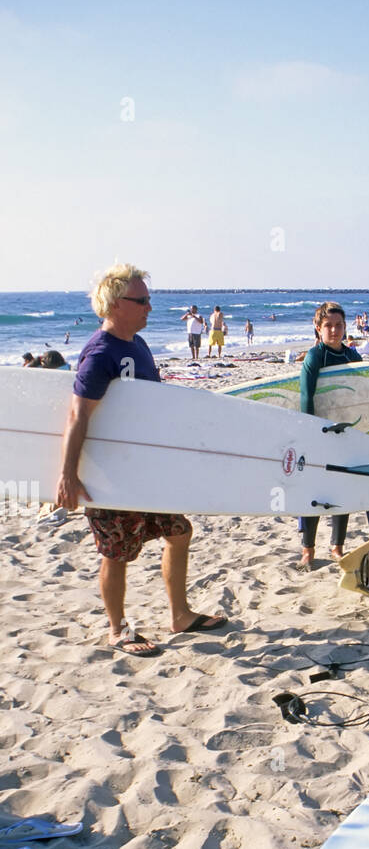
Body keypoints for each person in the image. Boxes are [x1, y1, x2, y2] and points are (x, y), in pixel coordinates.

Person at [54, 263, 226, 656]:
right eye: (142, 300)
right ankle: (117, 629)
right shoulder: (100, 354)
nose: (150, 307)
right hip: (112, 475)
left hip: (148, 471)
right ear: (116, 304)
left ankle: (180, 615)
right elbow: (77, 416)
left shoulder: (138, 344)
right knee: (116, 553)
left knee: (179, 532)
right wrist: (68, 475)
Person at [297, 301, 369, 568]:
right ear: (318, 328)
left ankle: (337, 546)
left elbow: (362, 398)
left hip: (346, 434)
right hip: (319, 433)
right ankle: (308, 550)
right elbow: (307, 397)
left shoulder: (352, 357)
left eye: (339, 325)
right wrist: (312, 433)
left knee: (342, 490)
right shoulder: (314, 356)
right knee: (315, 491)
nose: (334, 330)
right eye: (328, 326)